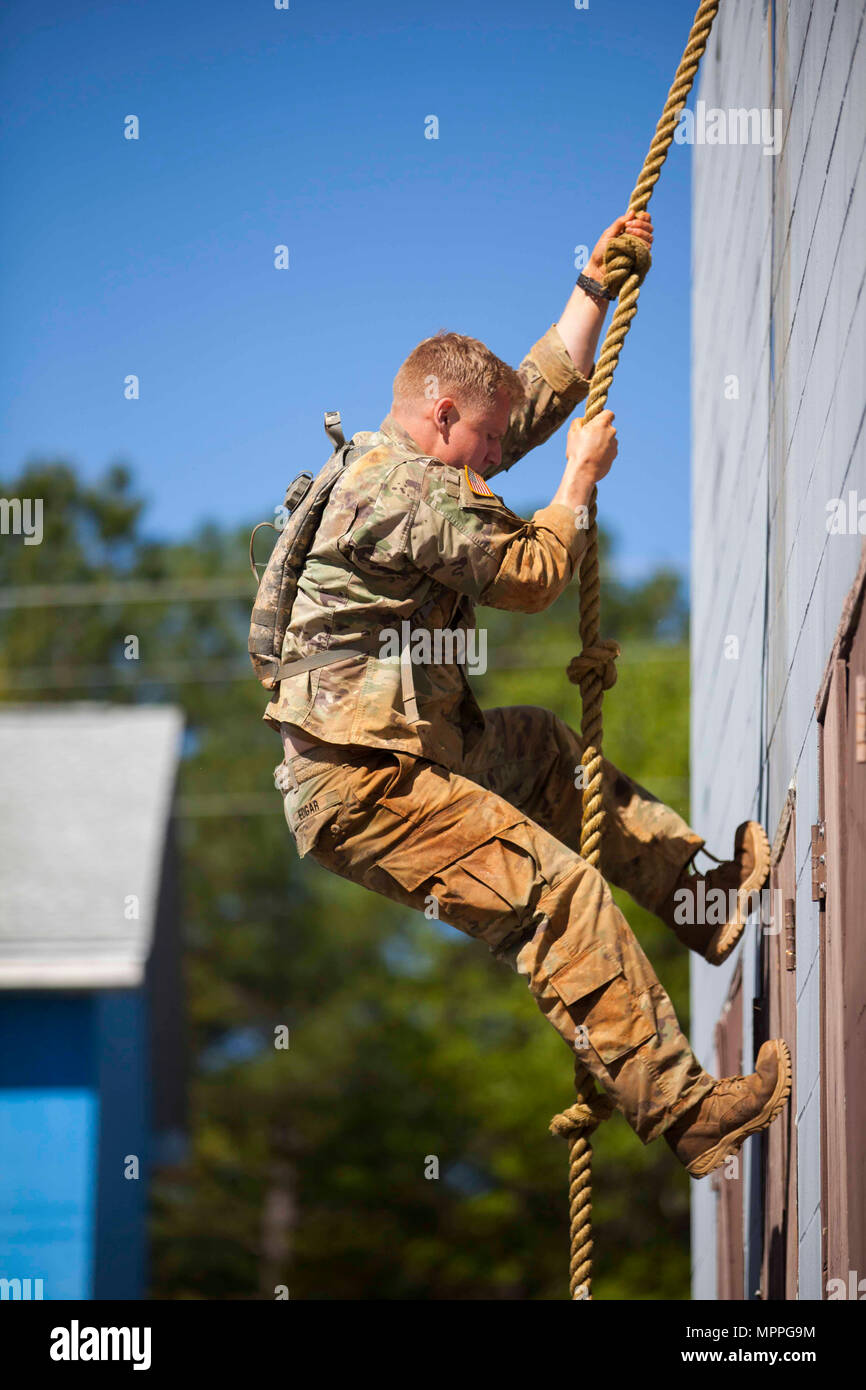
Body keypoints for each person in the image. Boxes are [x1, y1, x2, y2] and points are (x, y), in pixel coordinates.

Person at [264, 210, 791, 1176]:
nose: (498, 456)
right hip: (367, 785)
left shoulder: (411, 461)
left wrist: (592, 288)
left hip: (413, 750)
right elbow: (539, 572)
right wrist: (578, 482)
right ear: (443, 419)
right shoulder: (409, 492)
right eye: (486, 441)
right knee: (559, 898)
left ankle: (704, 899)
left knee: (546, 751)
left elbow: (531, 397)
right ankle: (686, 1113)